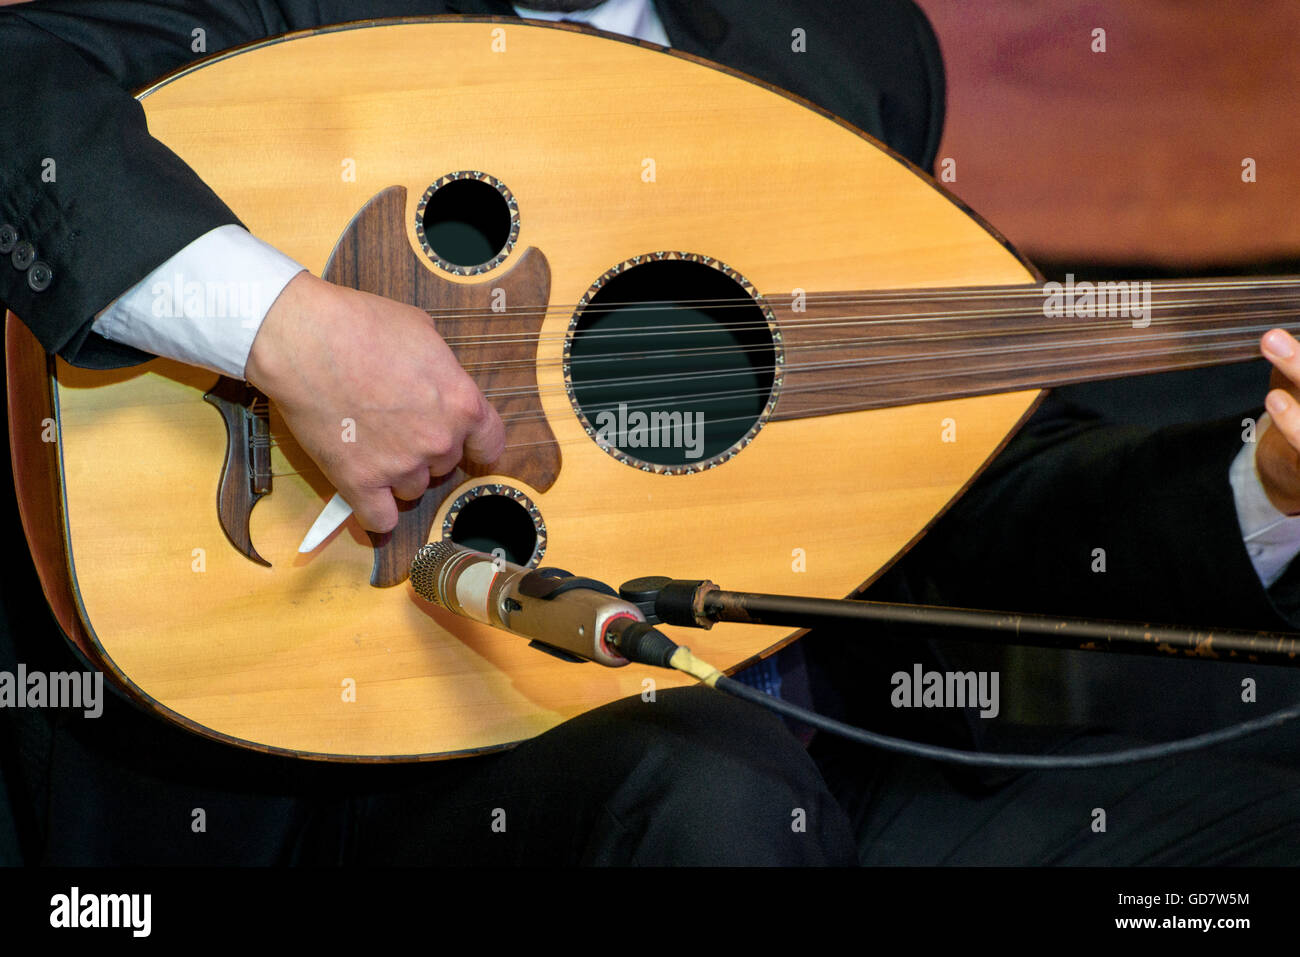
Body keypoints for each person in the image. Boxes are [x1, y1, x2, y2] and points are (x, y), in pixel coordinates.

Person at [2, 0, 1299, 867]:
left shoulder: (844, 47)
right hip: (374, 765)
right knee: (718, 802)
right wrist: (288, 329)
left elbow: (986, 497)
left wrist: (1269, 484)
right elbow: (20, 88)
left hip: (831, 736)